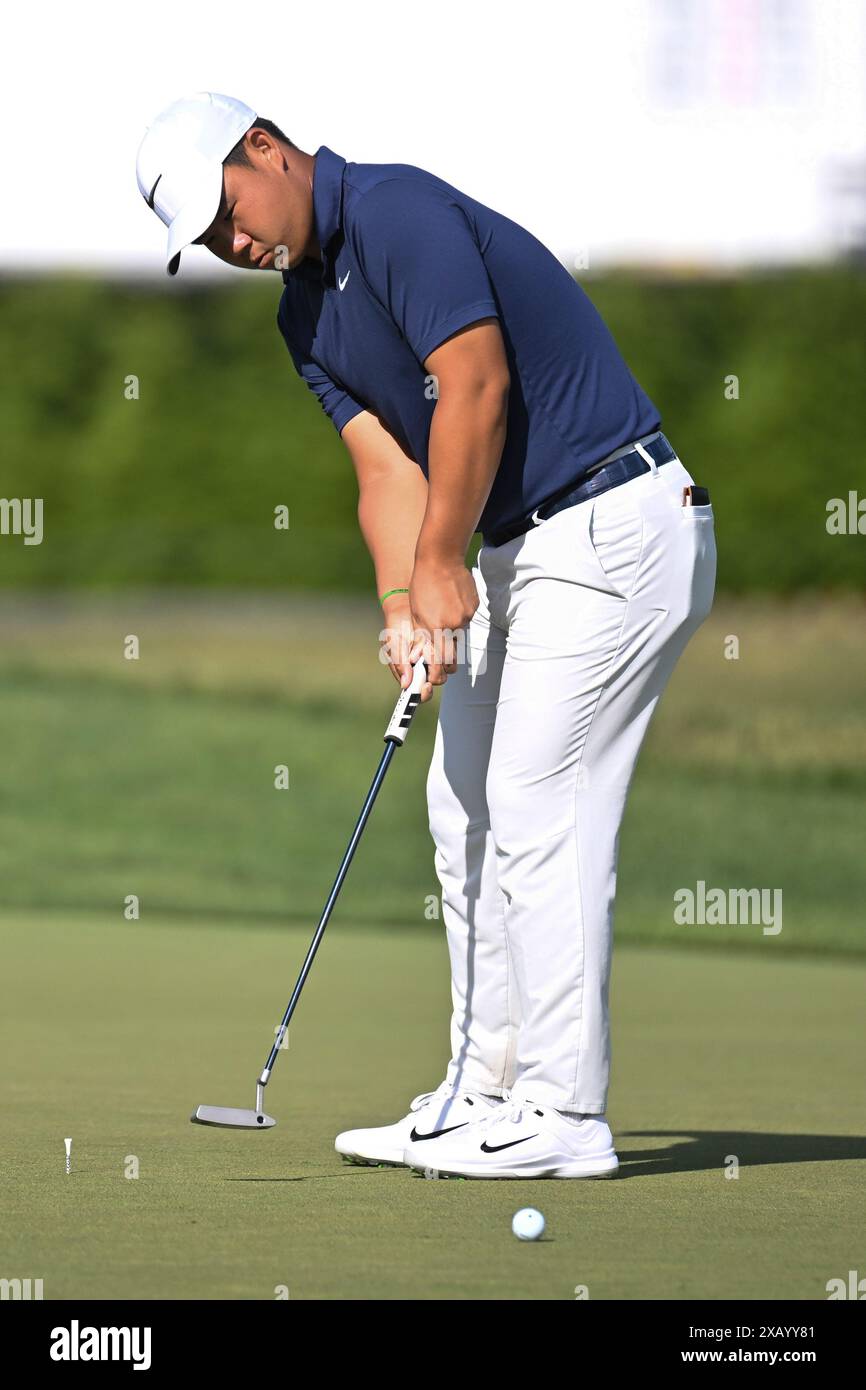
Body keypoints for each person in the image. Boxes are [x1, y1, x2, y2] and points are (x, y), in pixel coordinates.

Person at [137, 91, 717, 1180]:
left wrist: (443, 557)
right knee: (462, 808)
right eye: (209, 242)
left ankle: (563, 1111)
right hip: (521, 549)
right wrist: (404, 601)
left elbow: (477, 384)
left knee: (540, 804)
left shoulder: (397, 211)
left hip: (612, 521)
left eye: (227, 213)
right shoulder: (299, 316)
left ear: (263, 149)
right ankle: (477, 1090)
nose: (233, 244)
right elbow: (384, 466)